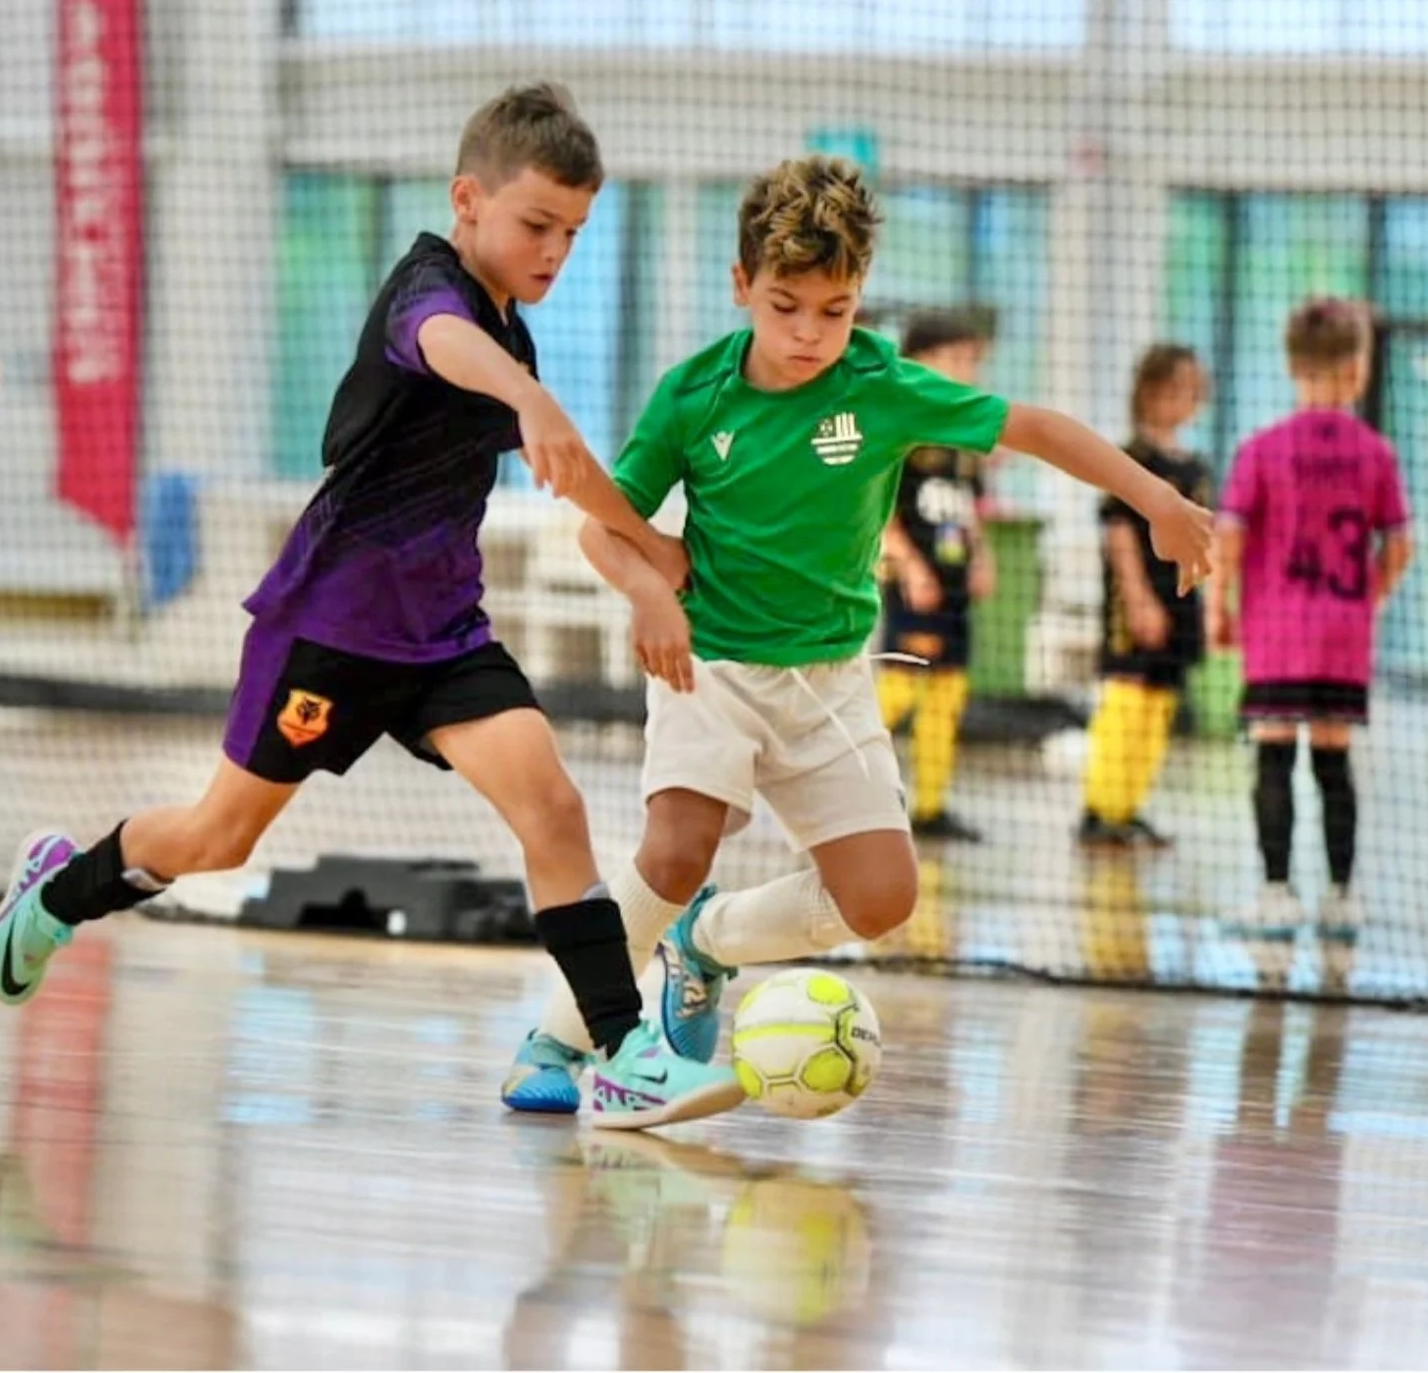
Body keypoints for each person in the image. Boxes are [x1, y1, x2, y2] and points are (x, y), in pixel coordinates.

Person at [0, 83, 740, 1130]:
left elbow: (565, 469)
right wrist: (526, 398)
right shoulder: (427, 292)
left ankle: (621, 1052)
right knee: (216, 840)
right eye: (536, 224)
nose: (555, 250)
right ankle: (62, 889)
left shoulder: (517, 341)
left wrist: (651, 544)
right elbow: (440, 342)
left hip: (443, 636)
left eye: (573, 231)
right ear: (467, 199)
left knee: (554, 806)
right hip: (330, 627)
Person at [503, 154, 1213, 1110]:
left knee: (882, 901)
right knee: (673, 854)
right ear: (742, 285)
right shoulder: (693, 396)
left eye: (834, 311)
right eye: (786, 304)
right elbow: (605, 529)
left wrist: (1158, 496)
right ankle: (553, 1044)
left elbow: (1034, 429)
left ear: (860, 299)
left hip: (830, 680)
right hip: (709, 662)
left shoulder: (880, 385)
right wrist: (649, 595)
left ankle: (703, 945)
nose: (808, 333)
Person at [1211, 298, 1412, 938]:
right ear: (1357, 370)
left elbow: (1232, 538)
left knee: (1273, 753)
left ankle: (1276, 894)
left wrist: (1221, 608)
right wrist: (1370, 597)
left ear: (1293, 365)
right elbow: (1401, 545)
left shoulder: (1262, 449)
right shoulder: (1377, 452)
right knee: (1334, 758)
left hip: (1276, 632)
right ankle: (1343, 897)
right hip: (1343, 636)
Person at [1077, 344, 1212, 849]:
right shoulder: (1131, 460)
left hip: (1182, 604)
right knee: (1126, 702)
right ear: (1148, 392)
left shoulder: (1196, 467)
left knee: (1159, 708)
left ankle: (1129, 808)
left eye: (1195, 391)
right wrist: (1137, 598)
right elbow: (1118, 532)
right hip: (1136, 602)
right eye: (1176, 389)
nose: (1186, 400)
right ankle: (1100, 809)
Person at [877, 308, 997, 842]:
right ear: (919, 360)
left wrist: (983, 555)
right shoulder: (899, 425)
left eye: (973, 361)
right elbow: (876, 509)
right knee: (899, 690)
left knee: (948, 694)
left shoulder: (963, 436)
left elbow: (968, 509)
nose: (968, 370)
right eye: (957, 359)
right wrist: (909, 565)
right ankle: (831, 784)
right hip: (914, 583)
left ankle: (931, 807)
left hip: (954, 586)